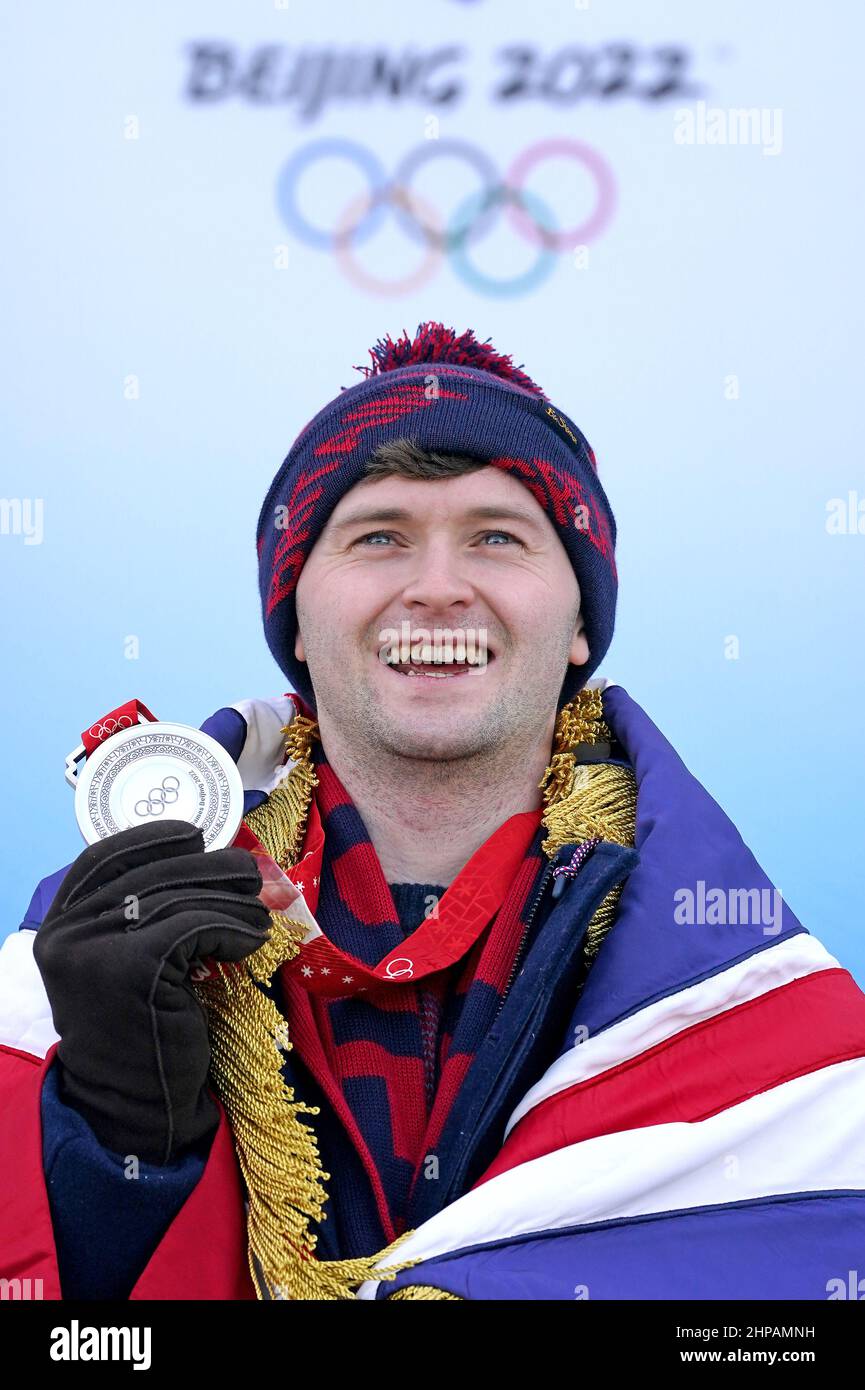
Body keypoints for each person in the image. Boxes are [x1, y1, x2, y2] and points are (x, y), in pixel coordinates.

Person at [2, 322, 864, 1302]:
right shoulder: (101, 939)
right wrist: (113, 1133)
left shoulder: (749, 989)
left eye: (497, 536)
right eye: (379, 537)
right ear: (298, 616)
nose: (438, 587)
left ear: (580, 622)